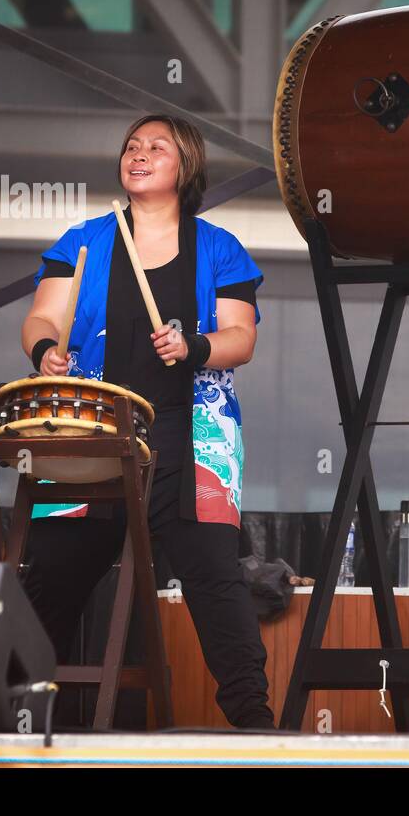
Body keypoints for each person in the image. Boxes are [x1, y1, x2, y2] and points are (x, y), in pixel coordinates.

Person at [19, 113, 275, 729]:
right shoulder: (85, 240)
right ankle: (10, 713)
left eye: (157, 147)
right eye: (132, 146)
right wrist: (45, 351)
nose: (139, 154)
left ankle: (257, 726)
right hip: (93, 433)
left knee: (216, 581)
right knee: (53, 576)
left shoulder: (218, 247)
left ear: (185, 167)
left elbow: (242, 339)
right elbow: (41, 319)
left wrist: (194, 348)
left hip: (191, 440)